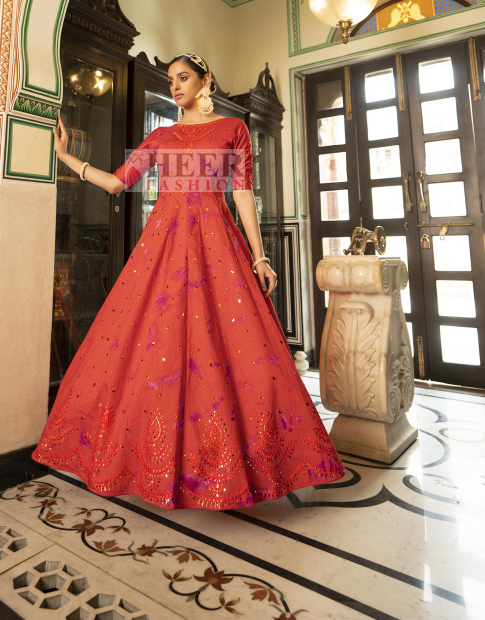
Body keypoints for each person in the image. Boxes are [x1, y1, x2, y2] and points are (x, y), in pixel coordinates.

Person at [32, 53, 345, 509]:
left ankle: (236, 466)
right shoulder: (161, 136)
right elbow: (120, 183)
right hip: (162, 245)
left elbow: (241, 192)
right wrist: (67, 158)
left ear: (205, 81)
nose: (176, 87)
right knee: (154, 351)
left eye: (184, 78)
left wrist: (260, 256)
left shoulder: (232, 130)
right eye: (172, 80)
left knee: (233, 349)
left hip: (217, 242)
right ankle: (156, 465)